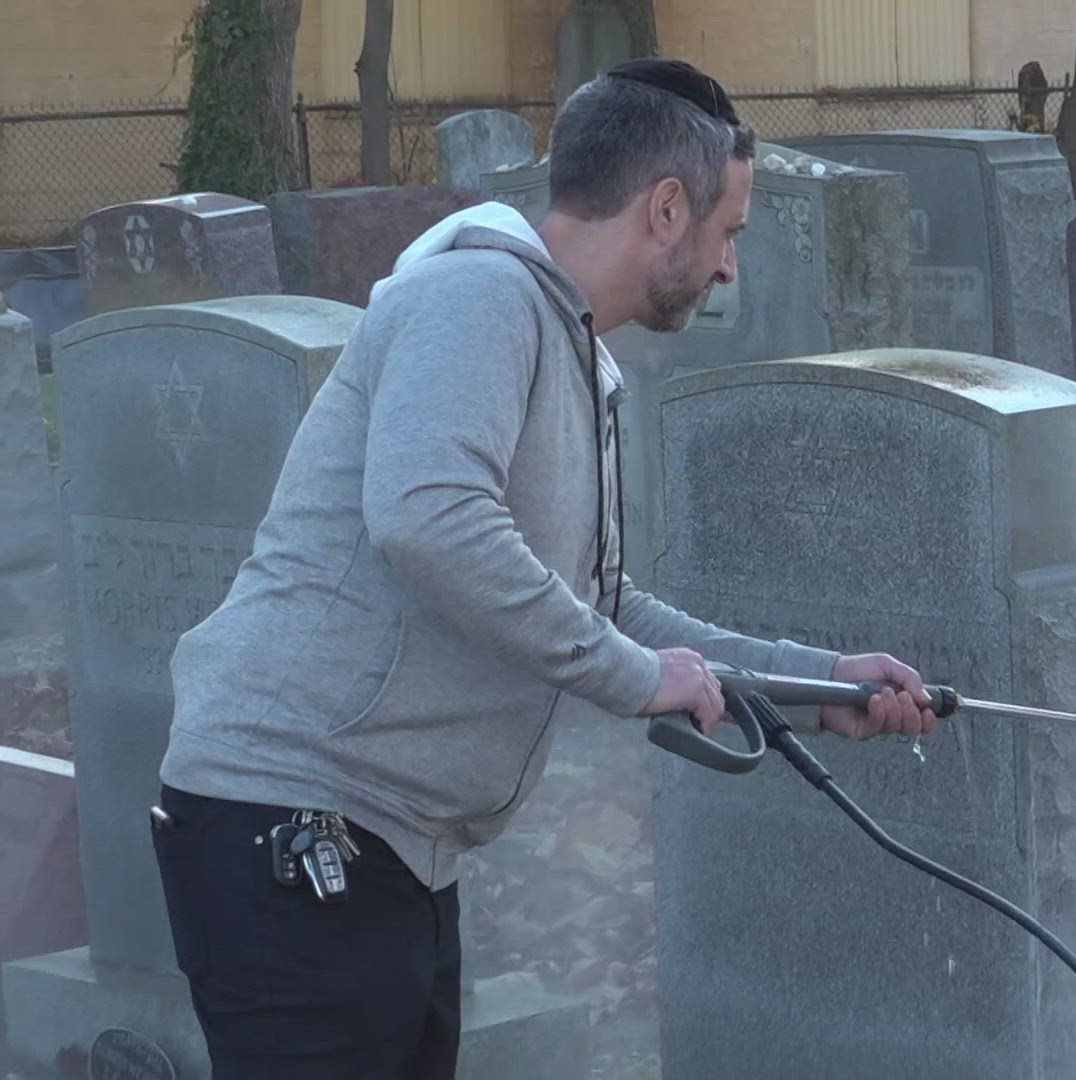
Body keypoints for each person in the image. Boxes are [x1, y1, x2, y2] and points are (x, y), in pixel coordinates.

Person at [149, 57, 938, 1080]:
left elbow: (600, 608)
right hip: (296, 828)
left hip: (386, 849)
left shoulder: (565, 345)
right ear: (665, 209)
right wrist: (632, 680)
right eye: (728, 230)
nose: (730, 265)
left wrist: (807, 678)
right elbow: (429, 520)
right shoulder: (476, 296)